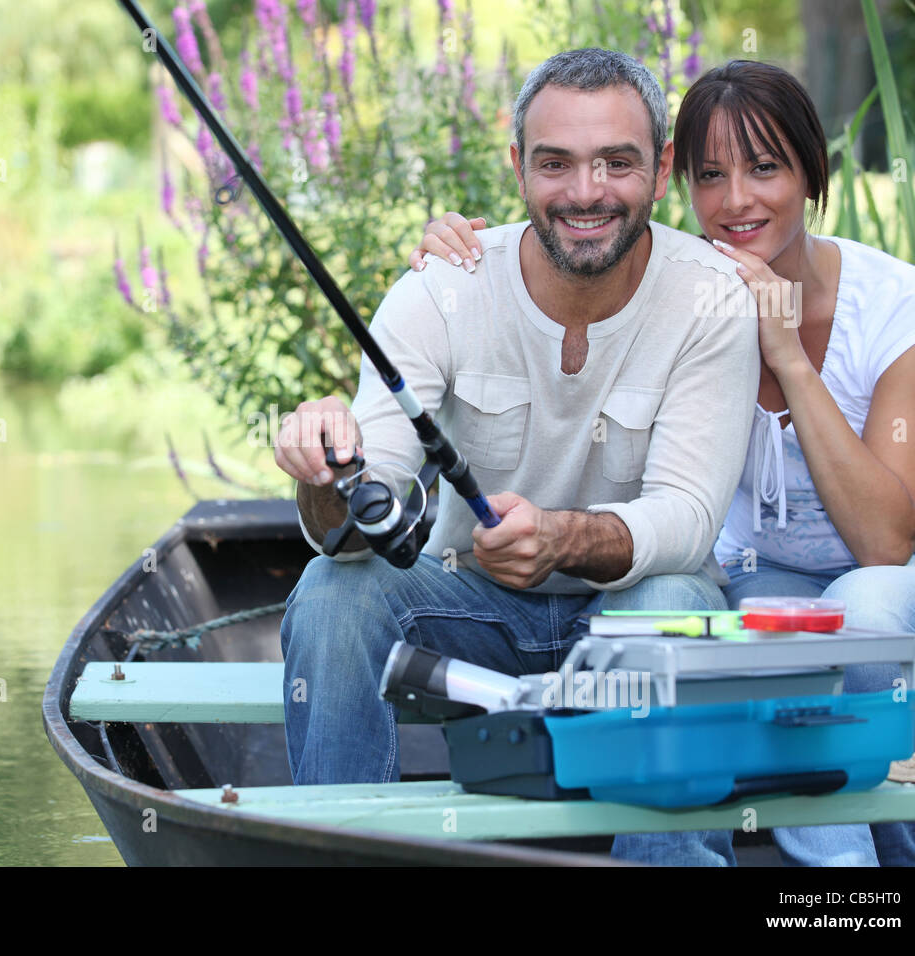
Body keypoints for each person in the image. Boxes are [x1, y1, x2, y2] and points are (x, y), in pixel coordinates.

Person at [411, 59, 915, 866]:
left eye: (766, 168)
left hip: (914, 577)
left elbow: (885, 542)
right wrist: (457, 243)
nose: (737, 201)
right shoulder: (677, 293)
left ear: (811, 173)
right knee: (737, 641)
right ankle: (834, 880)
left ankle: (900, 870)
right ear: (675, 181)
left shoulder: (897, 305)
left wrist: (789, 357)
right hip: (764, 581)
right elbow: (568, 239)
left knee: (855, 616)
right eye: (711, 175)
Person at [273, 46, 762, 865]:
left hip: (631, 606)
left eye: (616, 162)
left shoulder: (710, 297)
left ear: (664, 166)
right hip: (469, 607)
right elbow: (364, 512)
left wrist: (565, 537)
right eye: (555, 164)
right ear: (517, 168)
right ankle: (340, 852)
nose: (585, 192)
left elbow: (687, 518)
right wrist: (333, 477)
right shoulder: (438, 288)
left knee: (677, 600)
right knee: (332, 593)